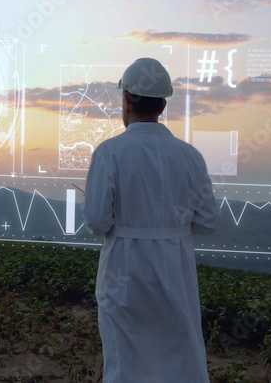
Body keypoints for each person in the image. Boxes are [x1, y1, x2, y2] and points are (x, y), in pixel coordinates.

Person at [83, 57, 220, 382]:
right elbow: (207, 222)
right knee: (179, 357)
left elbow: (98, 221)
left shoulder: (110, 152)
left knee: (125, 360)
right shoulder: (190, 156)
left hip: (124, 273)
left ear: (127, 101)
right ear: (162, 104)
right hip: (176, 273)